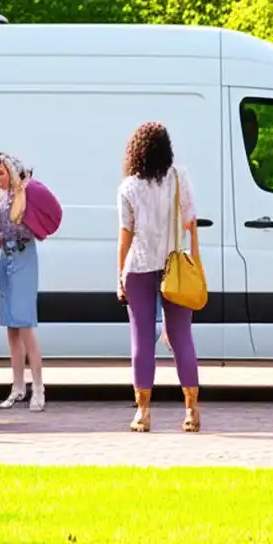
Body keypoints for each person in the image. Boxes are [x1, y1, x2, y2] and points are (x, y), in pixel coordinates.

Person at [116, 121, 202, 433]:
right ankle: (191, 410)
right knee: (181, 337)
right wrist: (191, 255)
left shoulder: (128, 188)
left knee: (141, 337)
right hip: (175, 265)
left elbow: (125, 236)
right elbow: (190, 222)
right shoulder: (180, 177)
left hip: (139, 266)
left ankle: (143, 413)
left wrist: (119, 276)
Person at [0, 152, 45, 412]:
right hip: (6, 262)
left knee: (25, 324)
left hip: (24, 258)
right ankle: (18, 386)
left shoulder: (25, 196)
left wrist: (22, 181)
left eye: (2, 172)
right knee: (11, 328)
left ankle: (38, 387)